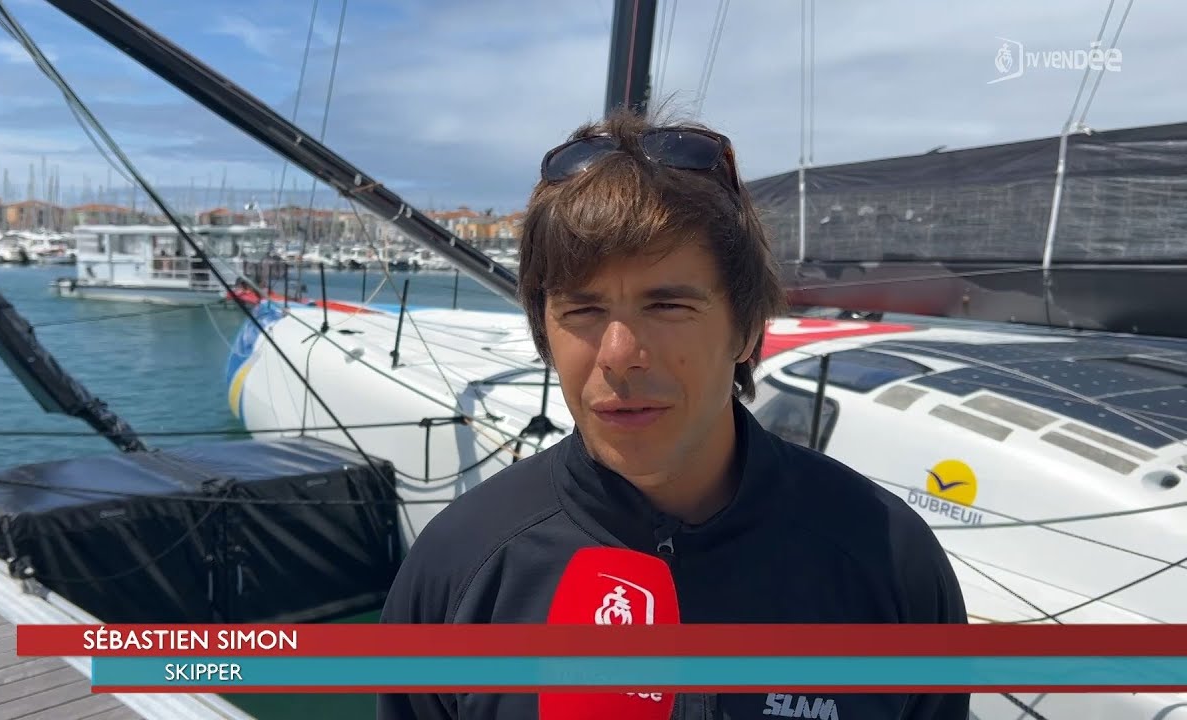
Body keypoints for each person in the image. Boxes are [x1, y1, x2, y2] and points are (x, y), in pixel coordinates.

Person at [377, 108, 969, 719]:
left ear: (747, 328)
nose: (618, 355)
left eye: (666, 306)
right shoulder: (460, 567)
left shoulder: (888, 560)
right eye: (582, 311)